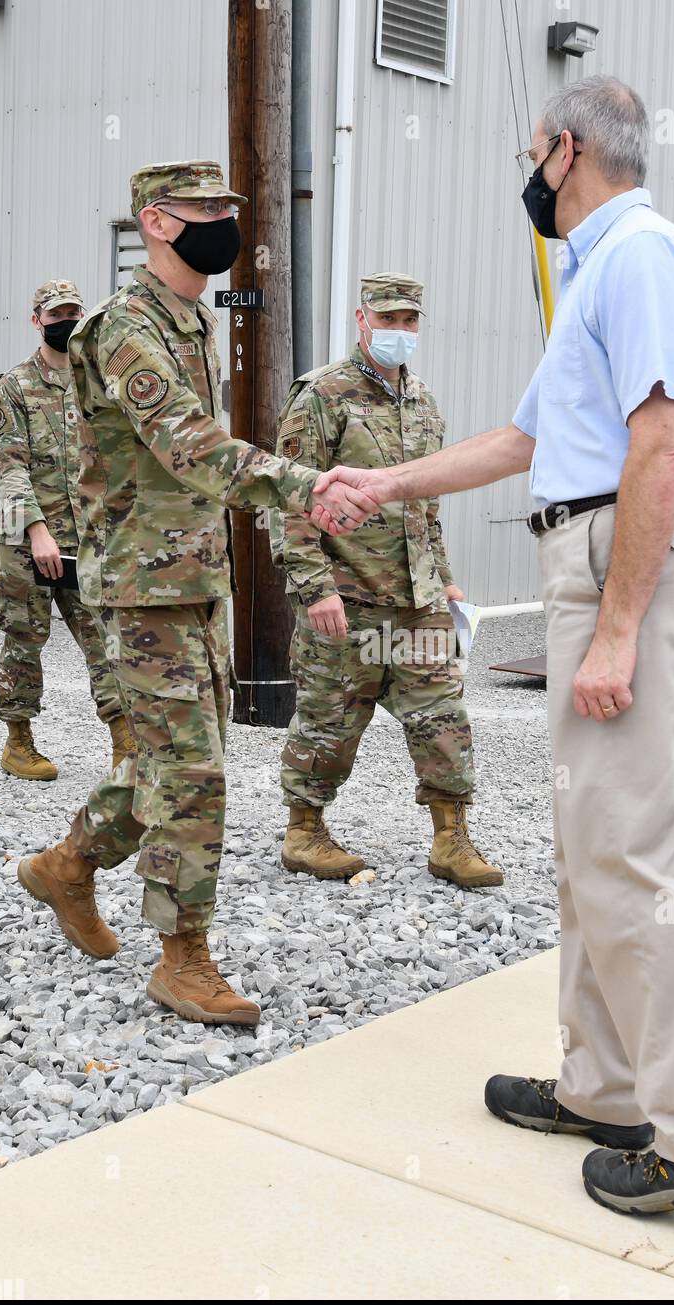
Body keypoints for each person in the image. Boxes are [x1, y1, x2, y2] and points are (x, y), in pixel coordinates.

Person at [312, 77, 674, 1220]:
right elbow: (528, 438)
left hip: (627, 560)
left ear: (567, 150)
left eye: (533, 153)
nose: (529, 174)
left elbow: (661, 443)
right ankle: (607, 1090)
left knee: (633, 847)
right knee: (590, 844)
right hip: (591, 548)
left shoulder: (643, 253)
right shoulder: (593, 273)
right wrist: (387, 480)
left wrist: (617, 629)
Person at [17, 161, 375, 1027]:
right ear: (157, 221)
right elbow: (188, 446)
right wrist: (305, 484)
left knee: (162, 765)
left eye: (229, 209)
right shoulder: (125, 325)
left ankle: (66, 865)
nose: (225, 222)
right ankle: (183, 959)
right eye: (206, 210)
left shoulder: (189, 321)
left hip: (193, 580)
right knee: (194, 774)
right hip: (144, 588)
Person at [270, 272, 502, 889]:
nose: (400, 330)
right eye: (388, 318)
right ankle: (304, 831)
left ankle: (451, 838)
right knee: (331, 717)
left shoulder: (423, 400)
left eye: (409, 320)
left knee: (441, 714)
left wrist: (444, 578)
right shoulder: (321, 395)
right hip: (346, 594)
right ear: (361, 318)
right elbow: (289, 498)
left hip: (418, 600)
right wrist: (313, 587)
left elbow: (425, 504)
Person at [0, 279, 134, 779]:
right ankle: (19, 741)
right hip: (26, 545)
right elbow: (10, 466)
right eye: (56, 316)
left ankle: (126, 747)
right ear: (37, 321)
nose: (66, 322)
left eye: (74, 313)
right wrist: (36, 529)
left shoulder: (96, 383)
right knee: (24, 641)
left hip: (87, 544)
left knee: (105, 641)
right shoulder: (13, 386)